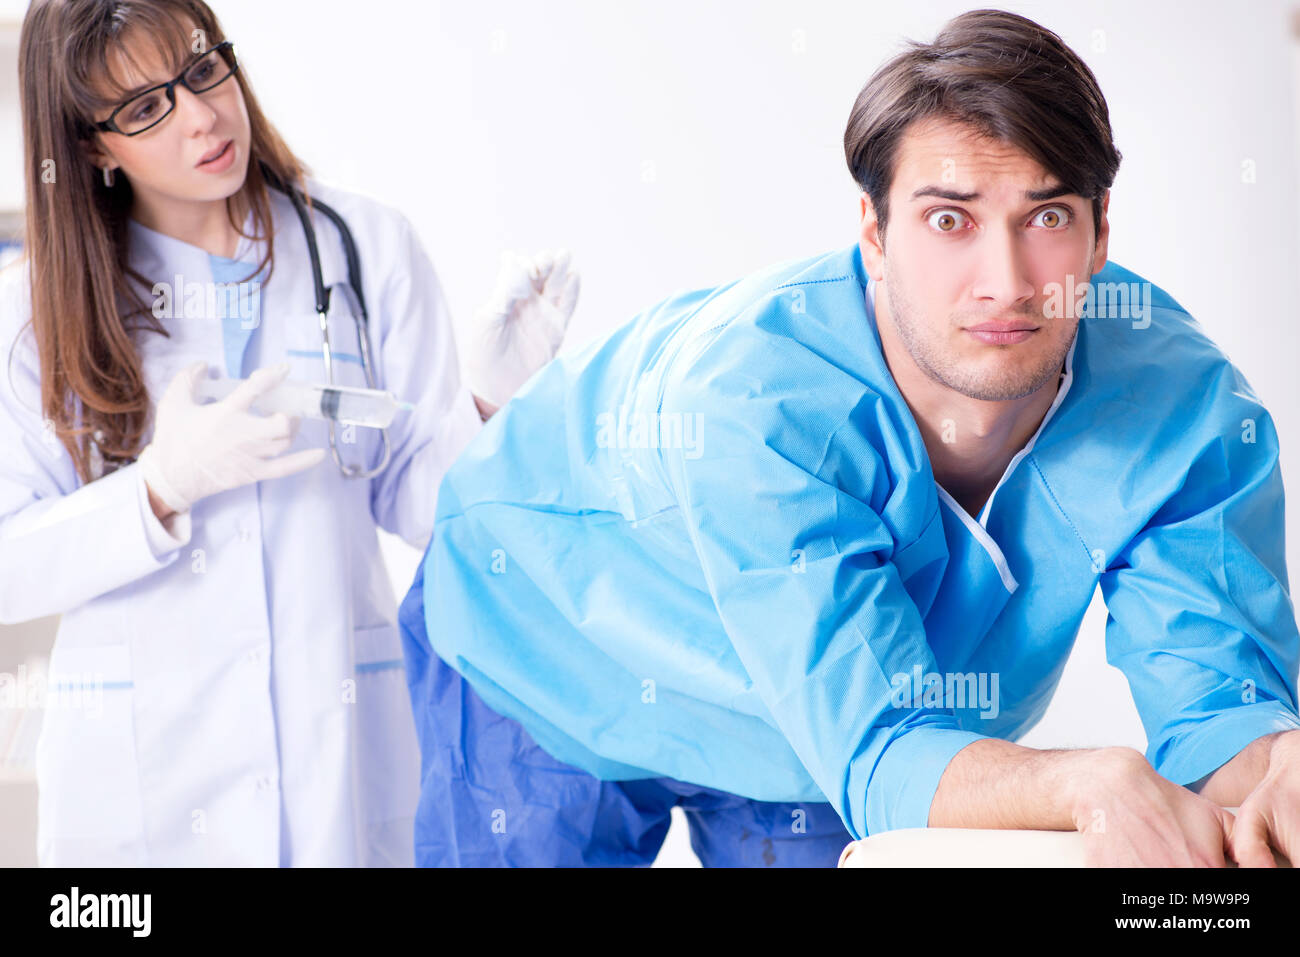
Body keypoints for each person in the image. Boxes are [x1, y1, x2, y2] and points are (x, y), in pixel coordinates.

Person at [399, 8, 1300, 867]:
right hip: (548, 648)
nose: (1006, 281)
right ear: (873, 231)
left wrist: (1279, 768)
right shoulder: (754, 401)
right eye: (950, 219)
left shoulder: (1184, 407)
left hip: (830, 727)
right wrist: (1090, 780)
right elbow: (883, 751)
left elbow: (1221, 698)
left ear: (1103, 233)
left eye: (1048, 217)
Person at [0, 0, 576, 866]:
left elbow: (424, 504)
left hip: (335, 763)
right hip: (141, 794)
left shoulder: (364, 249)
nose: (201, 116)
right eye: (148, 108)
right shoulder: (33, 314)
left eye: (203, 70)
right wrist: (156, 490)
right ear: (92, 147)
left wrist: (489, 401)